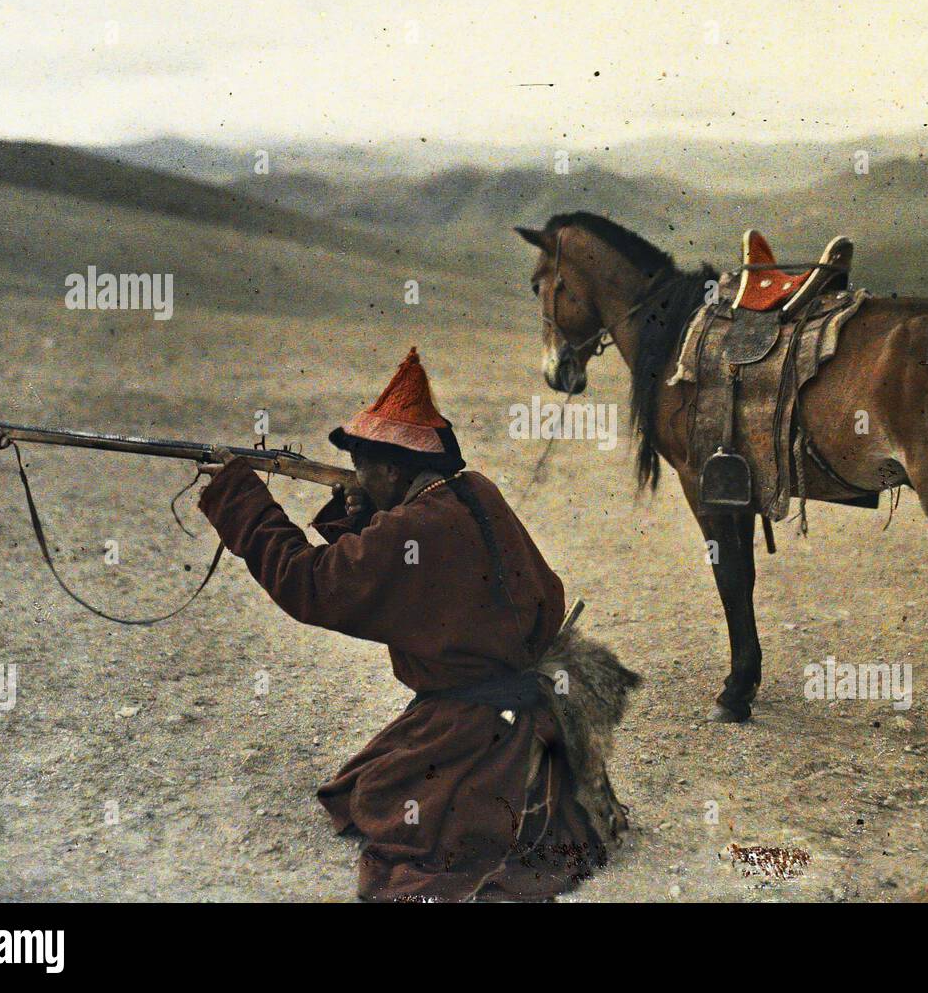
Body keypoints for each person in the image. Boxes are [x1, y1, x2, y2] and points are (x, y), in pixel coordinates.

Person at [197, 347, 638, 901]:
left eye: (362, 465)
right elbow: (399, 564)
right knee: (370, 782)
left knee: (391, 809)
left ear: (391, 469)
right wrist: (359, 510)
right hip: (525, 700)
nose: (355, 474)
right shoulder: (472, 489)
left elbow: (311, 583)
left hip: (482, 722)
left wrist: (240, 498)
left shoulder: (413, 527)